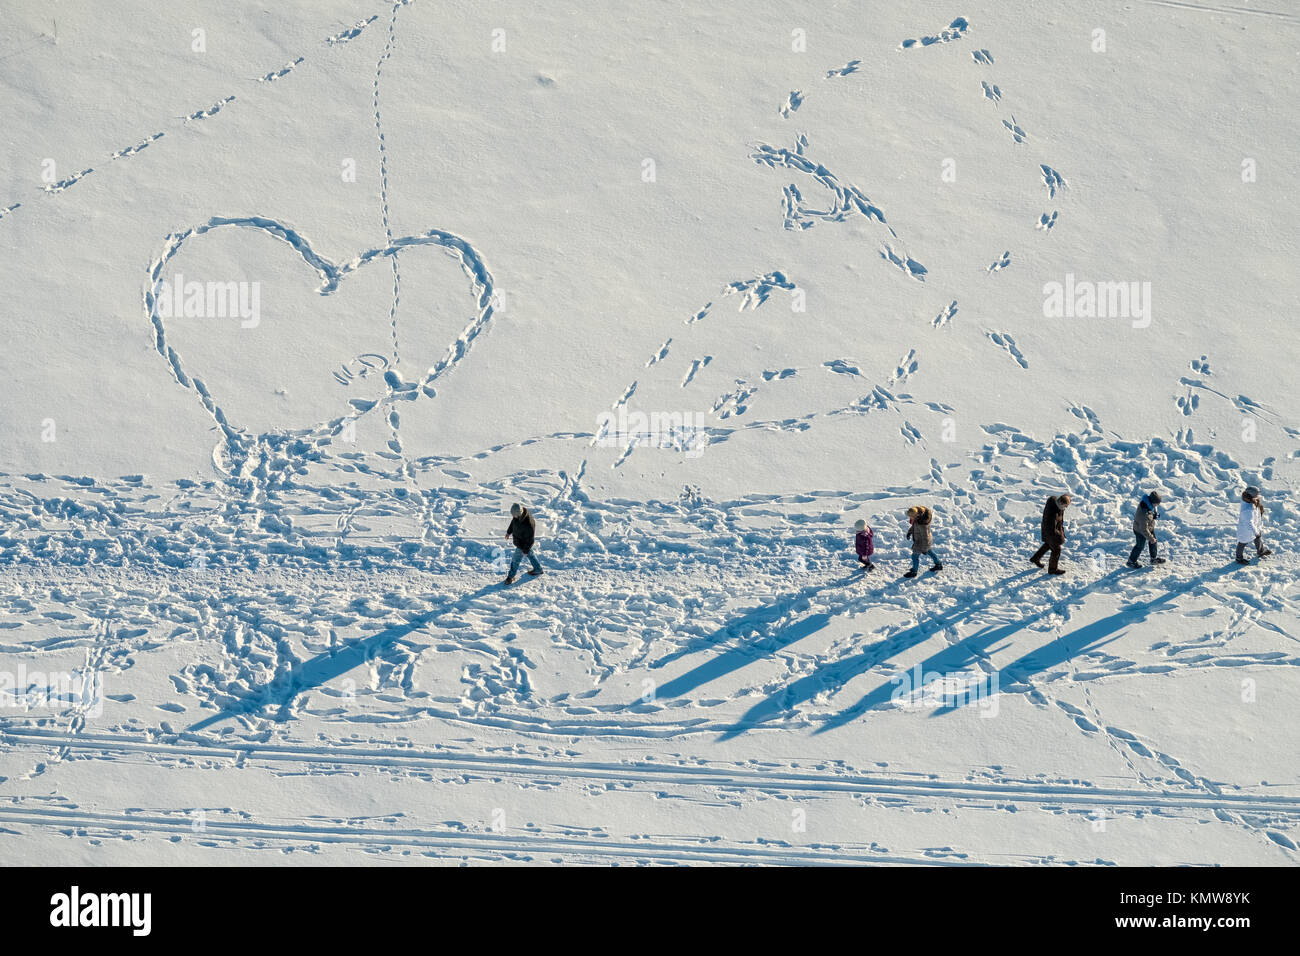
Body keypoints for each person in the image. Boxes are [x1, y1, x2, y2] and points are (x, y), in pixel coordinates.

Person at [503, 502, 543, 584]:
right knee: (531, 555)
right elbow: (513, 523)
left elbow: (530, 539)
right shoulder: (517, 516)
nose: (513, 517)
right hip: (520, 542)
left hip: (523, 544)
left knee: (515, 560)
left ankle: (510, 577)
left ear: (519, 514)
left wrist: (525, 550)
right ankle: (538, 569)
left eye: (514, 515)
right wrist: (508, 532)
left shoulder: (528, 524)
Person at [1031, 493, 1070, 575]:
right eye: (1065, 506)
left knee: (1048, 544)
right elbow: (1052, 530)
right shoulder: (1053, 514)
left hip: (1047, 531)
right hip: (1050, 533)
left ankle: (1035, 558)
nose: (1066, 508)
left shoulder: (1054, 501)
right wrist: (1059, 536)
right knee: (1056, 550)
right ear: (1061, 503)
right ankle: (1052, 569)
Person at [1127, 491, 1166, 567]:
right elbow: (1143, 529)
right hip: (1140, 531)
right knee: (1140, 546)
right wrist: (1151, 539)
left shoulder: (1148, 505)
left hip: (1149, 527)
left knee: (1153, 541)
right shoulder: (1143, 513)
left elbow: (1150, 513)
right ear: (1152, 502)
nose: (1157, 505)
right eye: (1157, 504)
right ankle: (1131, 561)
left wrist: (1153, 515)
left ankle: (1153, 559)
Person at [1235, 486, 1272, 565]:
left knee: (1258, 538)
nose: (1258, 496)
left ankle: (1261, 551)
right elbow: (1249, 523)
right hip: (1247, 530)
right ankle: (1239, 558)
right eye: (1257, 494)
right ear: (1252, 495)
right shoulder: (1248, 509)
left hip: (1255, 526)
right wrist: (1255, 532)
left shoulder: (1250, 500)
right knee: (1242, 542)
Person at [903, 506, 942, 578]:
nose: (910, 518)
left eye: (911, 517)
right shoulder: (919, 518)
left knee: (914, 556)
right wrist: (909, 532)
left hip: (922, 542)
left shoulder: (922, 524)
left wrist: (924, 548)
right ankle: (938, 564)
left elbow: (925, 537)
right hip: (922, 541)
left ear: (916, 515)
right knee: (930, 552)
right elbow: (914, 527)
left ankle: (914, 572)